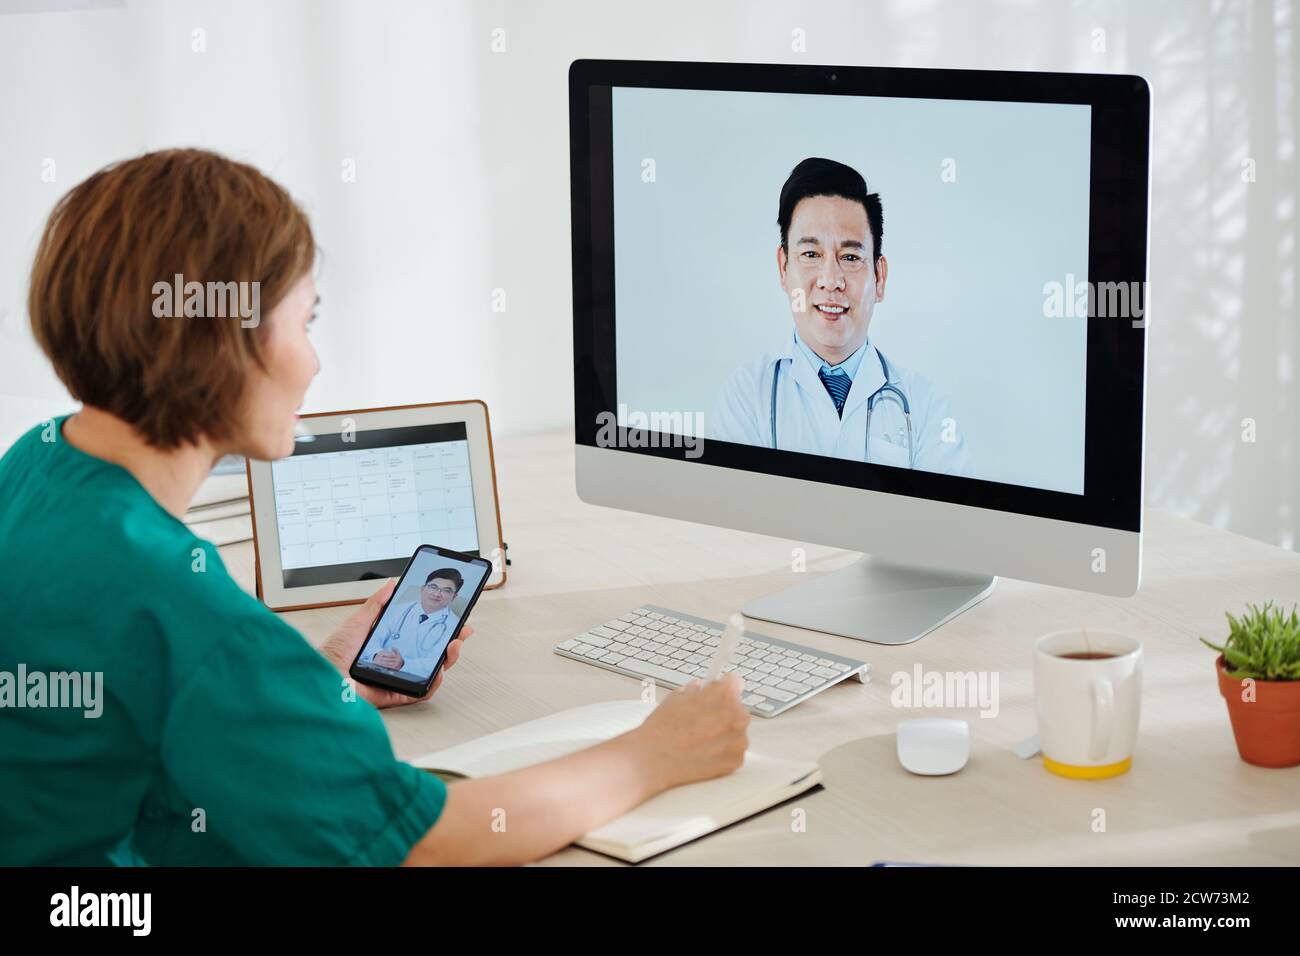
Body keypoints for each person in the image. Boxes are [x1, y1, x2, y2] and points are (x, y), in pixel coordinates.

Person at [0, 148, 749, 867]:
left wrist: (313, 683)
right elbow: (425, 843)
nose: (314, 361)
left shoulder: (34, 462)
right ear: (223, 341)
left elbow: (138, 723)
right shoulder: (186, 609)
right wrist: (654, 754)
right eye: (306, 322)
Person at [711, 157, 973, 475]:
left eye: (850, 257)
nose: (831, 280)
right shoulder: (747, 395)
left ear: (879, 277)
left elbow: (943, 522)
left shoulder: (926, 406)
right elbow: (740, 514)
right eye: (811, 254)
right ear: (783, 268)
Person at [365, 568, 465, 678]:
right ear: (423, 588)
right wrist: (375, 655)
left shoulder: (454, 625)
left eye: (446, 590)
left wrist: (404, 664)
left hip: (411, 678)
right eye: (433, 587)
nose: (437, 594)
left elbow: (436, 661)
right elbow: (371, 639)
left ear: (454, 596)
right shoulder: (394, 610)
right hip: (374, 670)